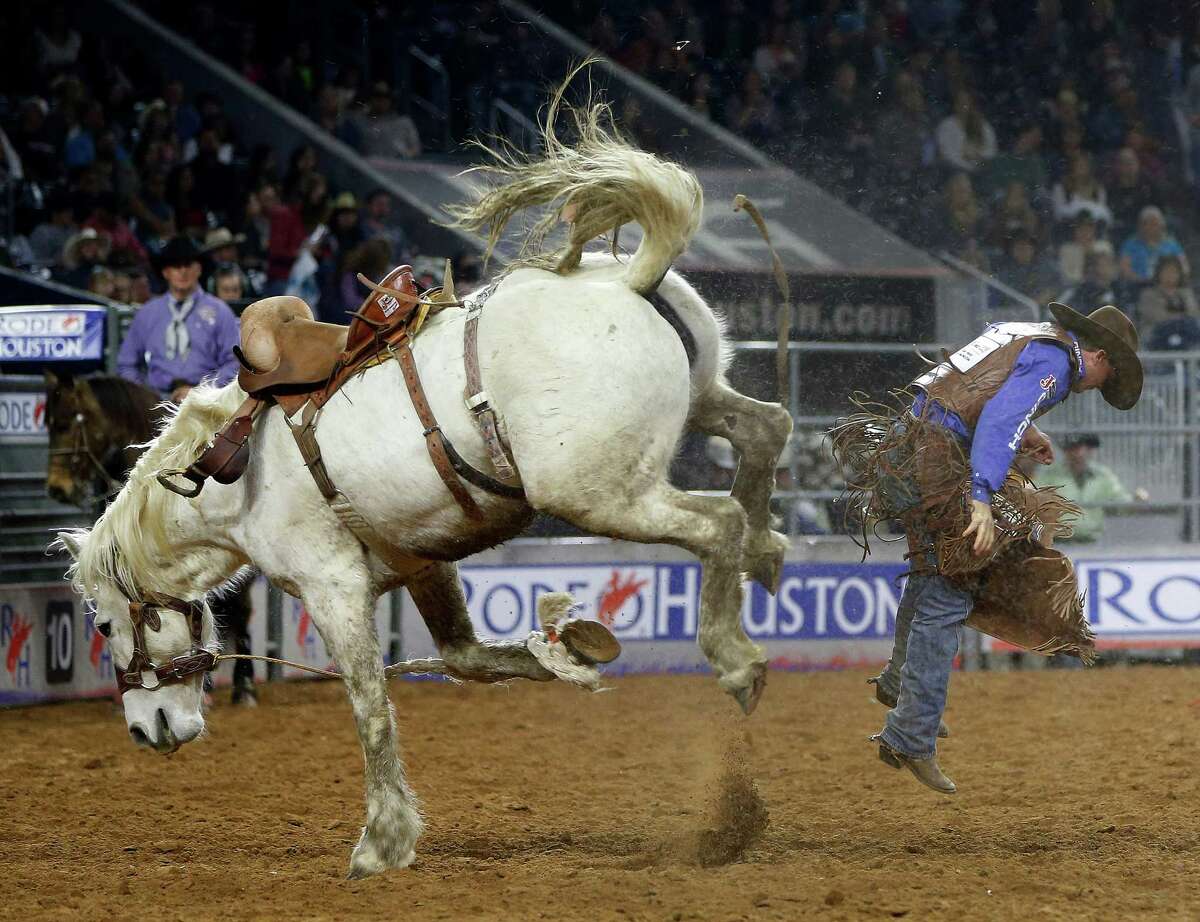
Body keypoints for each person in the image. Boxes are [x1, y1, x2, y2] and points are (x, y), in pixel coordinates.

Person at [833, 301, 1143, 793]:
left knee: (934, 572)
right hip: (935, 459)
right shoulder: (1059, 363)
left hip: (907, 445)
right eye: (1108, 375)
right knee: (952, 588)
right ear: (1101, 355)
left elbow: (976, 385)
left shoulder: (1028, 333)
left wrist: (1030, 429)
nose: (1100, 384)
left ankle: (901, 687)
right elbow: (999, 416)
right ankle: (911, 733)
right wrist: (980, 497)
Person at [117, 236, 240, 402]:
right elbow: (126, 364)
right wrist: (144, 396)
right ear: (165, 272)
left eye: (188, 265)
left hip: (206, 403)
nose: (183, 271)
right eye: (176, 266)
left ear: (199, 269)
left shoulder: (220, 312)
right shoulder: (147, 313)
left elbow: (234, 363)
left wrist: (203, 391)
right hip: (155, 403)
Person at [1035, 434, 1134, 543]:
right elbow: (1032, 503)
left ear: (1091, 451)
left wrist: (1137, 502)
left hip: (1091, 543)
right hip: (1057, 543)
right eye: (1074, 448)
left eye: (1086, 448)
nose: (1080, 454)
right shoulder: (1049, 476)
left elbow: (1122, 502)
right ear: (1066, 451)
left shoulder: (1102, 476)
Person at [354, 81, 421, 159]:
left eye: (386, 96)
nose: (382, 100)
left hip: (396, 167)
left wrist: (404, 156)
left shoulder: (404, 122)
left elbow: (416, 149)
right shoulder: (359, 122)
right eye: (378, 95)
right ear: (370, 97)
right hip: (368, 168)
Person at [1120, 207, 1188, 282]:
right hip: (1138, 285)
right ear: (1140, 226)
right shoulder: (1130, 245)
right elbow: (1125, 269)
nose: (1151, 228)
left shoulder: (1172, 244)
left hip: (1167, 286)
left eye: (1154, 224)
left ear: (1162, 225)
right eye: (1146, 224)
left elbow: (1184, 268)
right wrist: (1142, 281)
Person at [1137, 256, 1199, 329]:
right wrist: (1181, 317)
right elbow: (1157, 317)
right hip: (1157, 334)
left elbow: (1194, 313)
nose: (1170, 275)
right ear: (1159, 273)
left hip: (1186, 331)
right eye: (1167, 271)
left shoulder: (1186, 293)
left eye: (1174, 272)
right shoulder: (1148, 295)